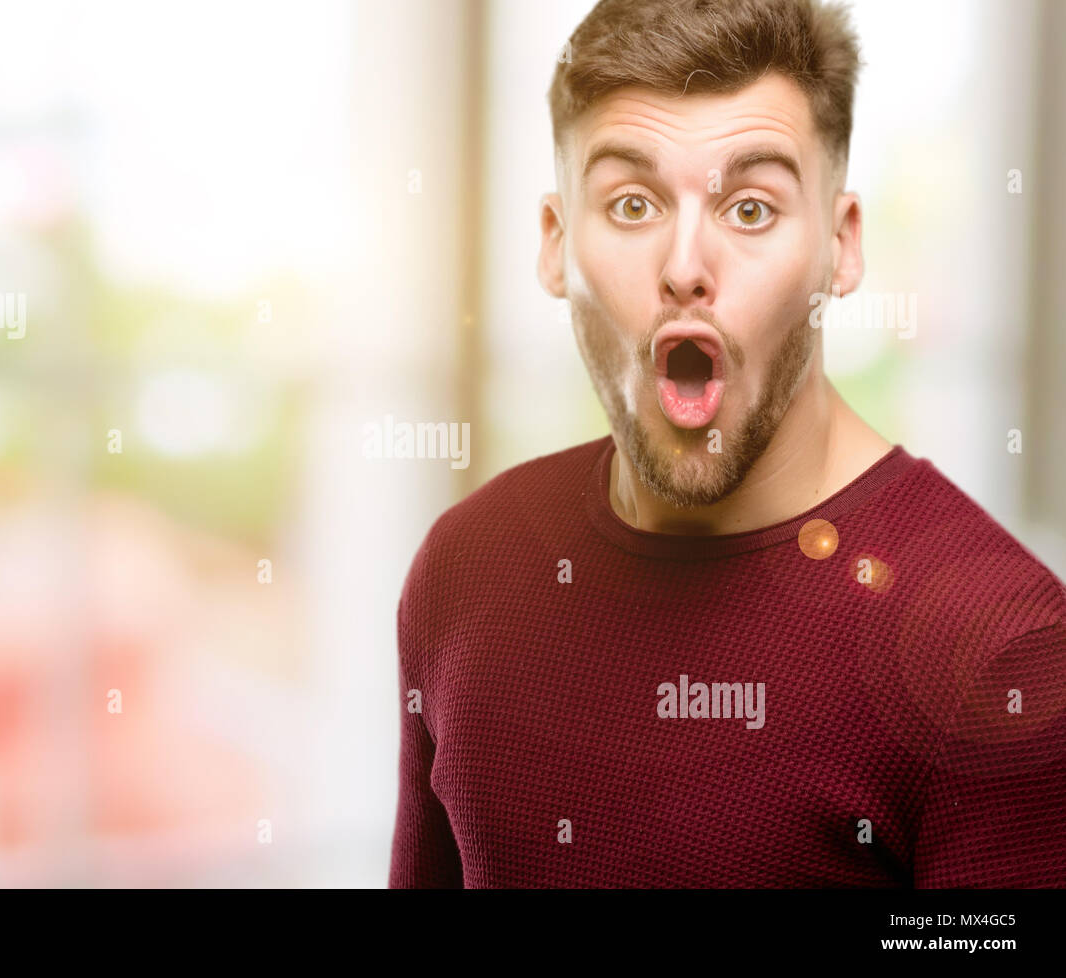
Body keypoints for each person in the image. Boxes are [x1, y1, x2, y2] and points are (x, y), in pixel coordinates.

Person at [389, 0, 1066, 888]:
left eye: (750, 207)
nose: (685, 266)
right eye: (631, 203)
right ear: (556, 246)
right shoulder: (468, 565)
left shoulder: (1001, 648)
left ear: (839, 243)